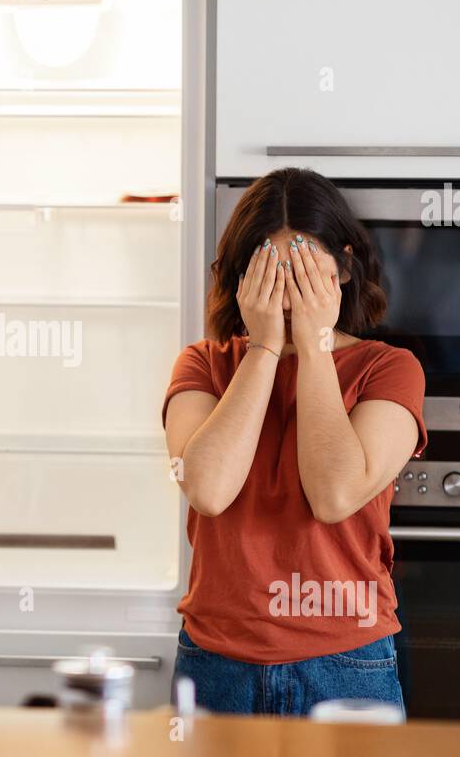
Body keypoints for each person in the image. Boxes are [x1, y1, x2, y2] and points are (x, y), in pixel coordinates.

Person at [163, 167, 427, 716]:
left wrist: (313, 346)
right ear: (240, 278)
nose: (286, 294)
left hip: (347, 663)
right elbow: (207, 490)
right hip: (217, 664)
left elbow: (334, 495)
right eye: (269, 273)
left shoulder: (390, 369)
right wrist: (263, 350)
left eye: (303, 272)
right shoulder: (203, 366)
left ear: (344, 268)